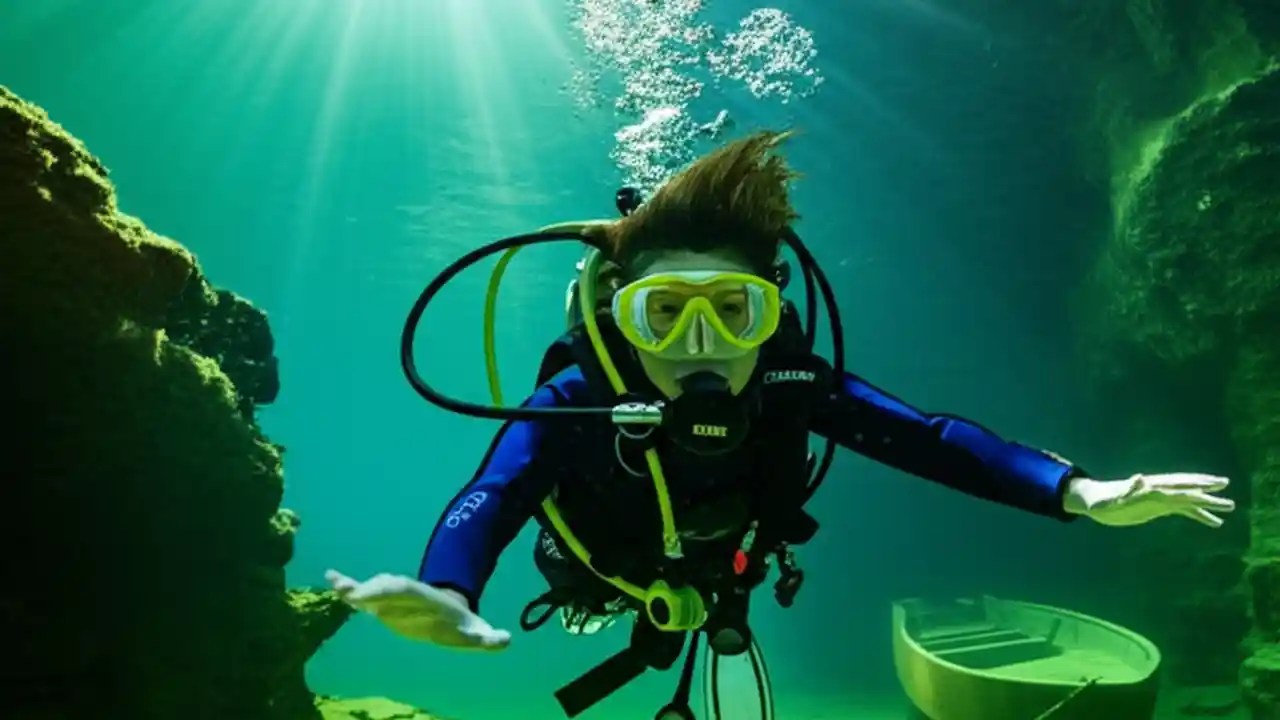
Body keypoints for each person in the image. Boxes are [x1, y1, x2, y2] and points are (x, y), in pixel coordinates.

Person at [326, 131, 1233, 719]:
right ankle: (625, 611)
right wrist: (451, 588)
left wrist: (1077, 491)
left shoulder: (792, 382)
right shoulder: (579, 395)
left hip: (728, 562)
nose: (700, 348)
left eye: (734, 312)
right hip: (600, 570)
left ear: (773, 312)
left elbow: (931, 437)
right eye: (662, 316)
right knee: (603, 596)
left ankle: (714, 623)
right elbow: (495, 489)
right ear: (617, 319)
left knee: (724, 600)